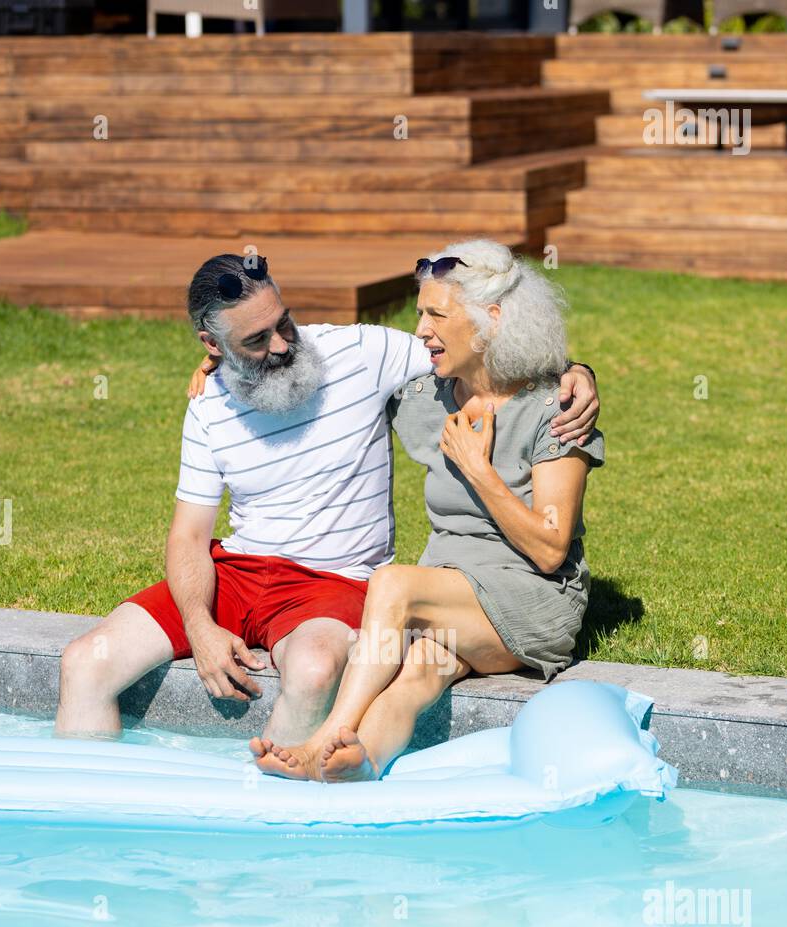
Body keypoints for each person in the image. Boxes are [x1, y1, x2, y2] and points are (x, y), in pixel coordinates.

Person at [55, 250, 598, 744]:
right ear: (212, 346)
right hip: (240, 573)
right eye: (255, 341)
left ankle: (272, 818)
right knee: (83, 663)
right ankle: (83, 837)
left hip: (332, 584)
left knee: (314, 673)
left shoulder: (363, 352)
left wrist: (577, 372)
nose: (282, 345)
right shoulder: (209, 406)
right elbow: (188, 535)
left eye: (282, 323)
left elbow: (485, 349)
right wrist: (201, 629)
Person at [250, 239, 604, 783]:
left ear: (492, 320)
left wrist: (478, 469)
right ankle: (358, 761)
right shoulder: (425, 396)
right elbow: (324, 359)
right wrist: (230, 355)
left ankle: (318, 739)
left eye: (436, 315)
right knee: (418, 672)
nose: (420, 331)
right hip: (452, 599)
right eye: (420, 314)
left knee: (392, 585)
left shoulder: (553, 410)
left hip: (532, 597)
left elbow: (551, 549)